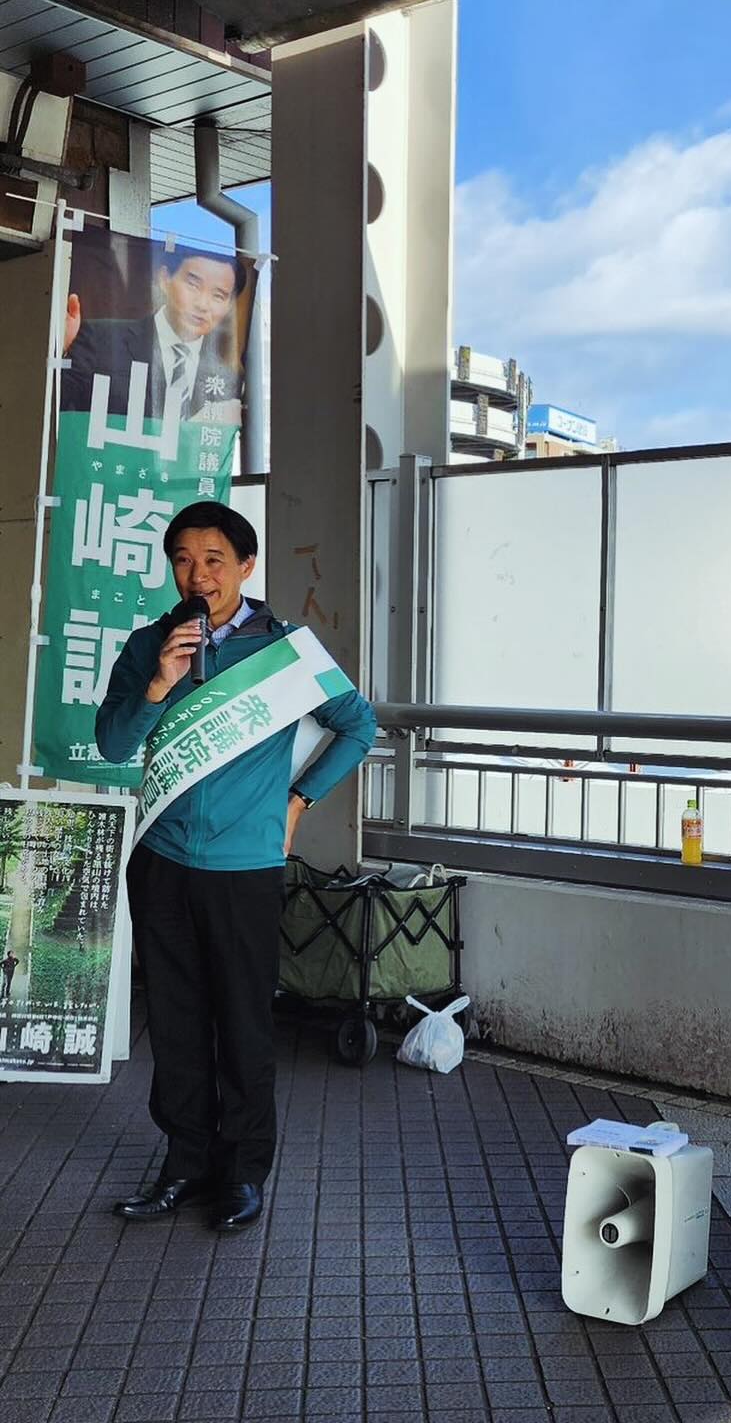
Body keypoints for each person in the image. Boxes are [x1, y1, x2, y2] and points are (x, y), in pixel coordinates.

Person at [96, 502, 375, 1233]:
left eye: (215, 559)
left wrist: (299, 798)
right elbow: (114, 744)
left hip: (245, 867)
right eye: (184, 559)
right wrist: (158, 684)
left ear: (246, 567)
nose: (198, 574)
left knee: (245, 1024)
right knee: (178, 1022)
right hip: (161, 860)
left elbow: (359, 726)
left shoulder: (285, 651)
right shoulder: (150, 645)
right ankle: (184, 1164)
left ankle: (243, 1173)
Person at [61, 250, 244, 424]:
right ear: (164, 279)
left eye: (218, 296)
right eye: (193, 285)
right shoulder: (100, 338)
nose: (203, 304)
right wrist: (60, 349)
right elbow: (52, 408)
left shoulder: (226, 378)